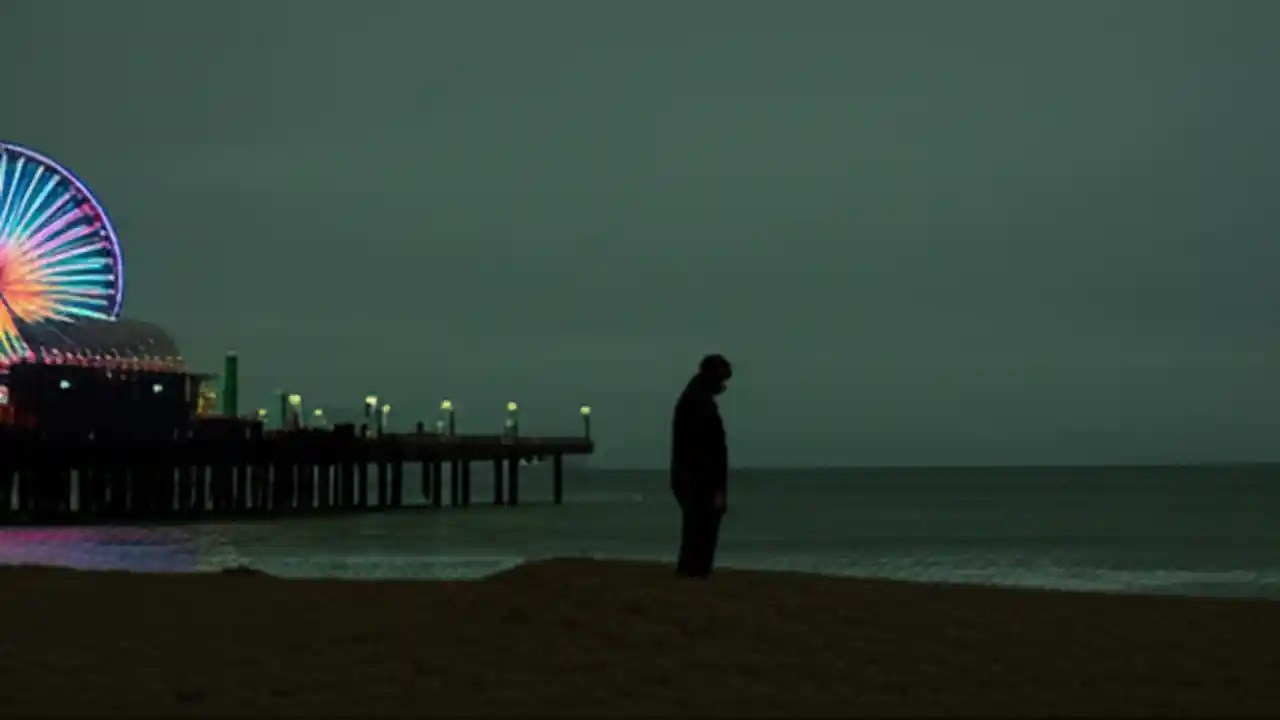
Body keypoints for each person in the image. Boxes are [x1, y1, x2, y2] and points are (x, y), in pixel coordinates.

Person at [670, 353, 732, 577]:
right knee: (701, 531)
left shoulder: (693, 399)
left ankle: (693, 572)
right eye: (722, 380)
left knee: (696, 531)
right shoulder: (698, 404)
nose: (723, 386)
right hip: (698, 479)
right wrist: (718, 489)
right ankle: (695, 573)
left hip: (691, 477)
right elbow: (710, 451)